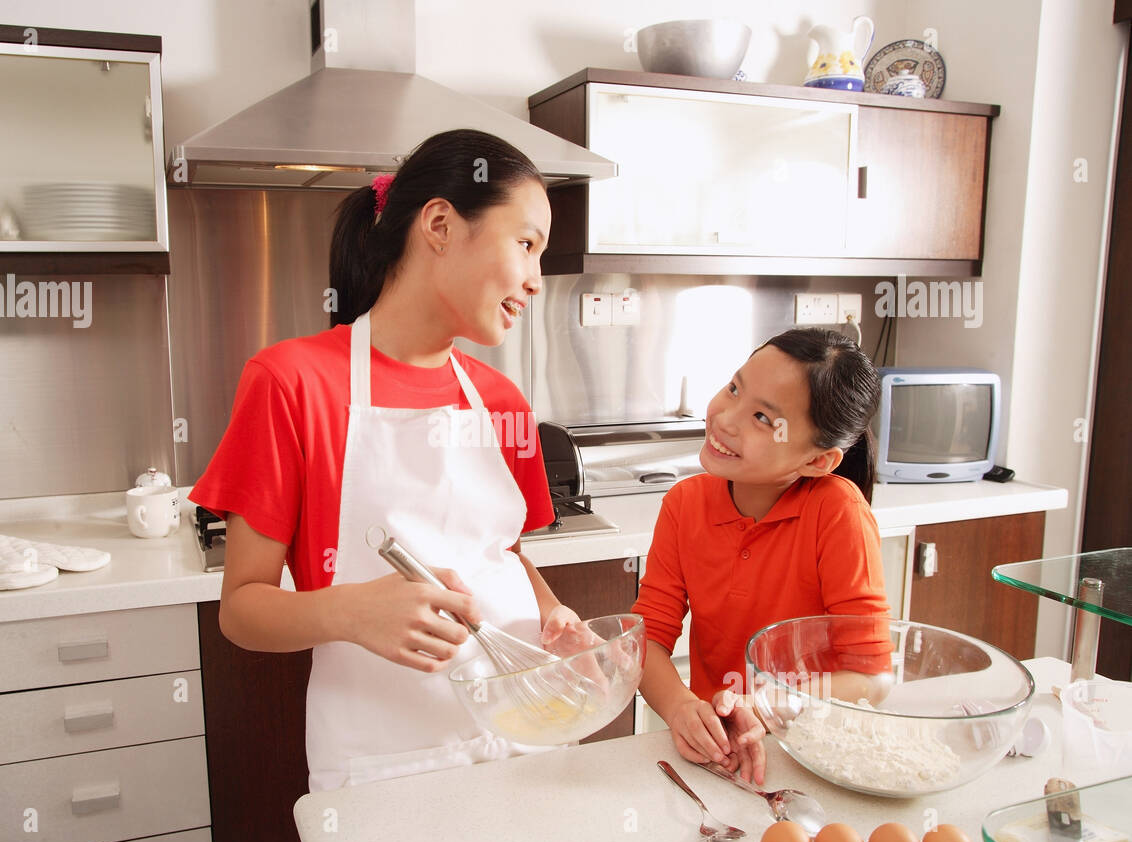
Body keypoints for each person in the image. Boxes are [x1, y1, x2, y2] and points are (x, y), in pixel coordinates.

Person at [190, 129, 589, 793]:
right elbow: (241, 609)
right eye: (526, 244)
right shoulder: (291, 382)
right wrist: (348, 612)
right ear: (439, 223)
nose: (536, 280)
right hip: (386, 763)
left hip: (523, 738)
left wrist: (552, 615)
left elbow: (504, 554)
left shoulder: (501, 400)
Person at [633, 327, 894, 786]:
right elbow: (647, 640)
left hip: (814, 753)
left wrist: (768, 706)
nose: (726, 419)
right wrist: (680, 708)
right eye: (735, 388)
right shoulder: (684, 505)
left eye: (761, 418)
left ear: (817, 461)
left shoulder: (838, 514)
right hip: (722, 751)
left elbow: (870, 679)